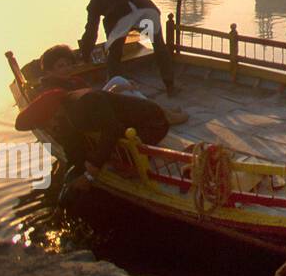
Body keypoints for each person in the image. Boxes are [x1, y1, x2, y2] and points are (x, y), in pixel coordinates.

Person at [16, 87, 173, 205]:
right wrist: (72, 177)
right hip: (126, 129)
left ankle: (173, 157)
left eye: (45, 125)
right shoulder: (66, 115)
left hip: (152, 123)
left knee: (128, 166)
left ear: (51, 115)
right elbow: (74, 151)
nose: (49, 130)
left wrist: (91, 172)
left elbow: (113, 129)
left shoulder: (81, 104)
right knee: (108, 158)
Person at [78, 0, 187, 96]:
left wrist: (85, 52)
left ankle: (114, 92)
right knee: (159, 46)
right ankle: (170, 85)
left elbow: (91, 32)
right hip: (146, 14)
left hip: (122, 21)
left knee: (114, 55)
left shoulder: (94, 2)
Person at [38, 43, 187, 123]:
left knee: (118, 80)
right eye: (60, 66)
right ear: (49, 71)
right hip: (90, 116)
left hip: (94, 103)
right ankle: (163, 114)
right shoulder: (54, 88)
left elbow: (92, 94)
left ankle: (163, 111)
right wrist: (116, 90)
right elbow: (89, 101)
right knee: (123, 88)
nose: (66, 69)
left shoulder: (73, 81)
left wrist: (117, 87)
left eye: (68, 64)